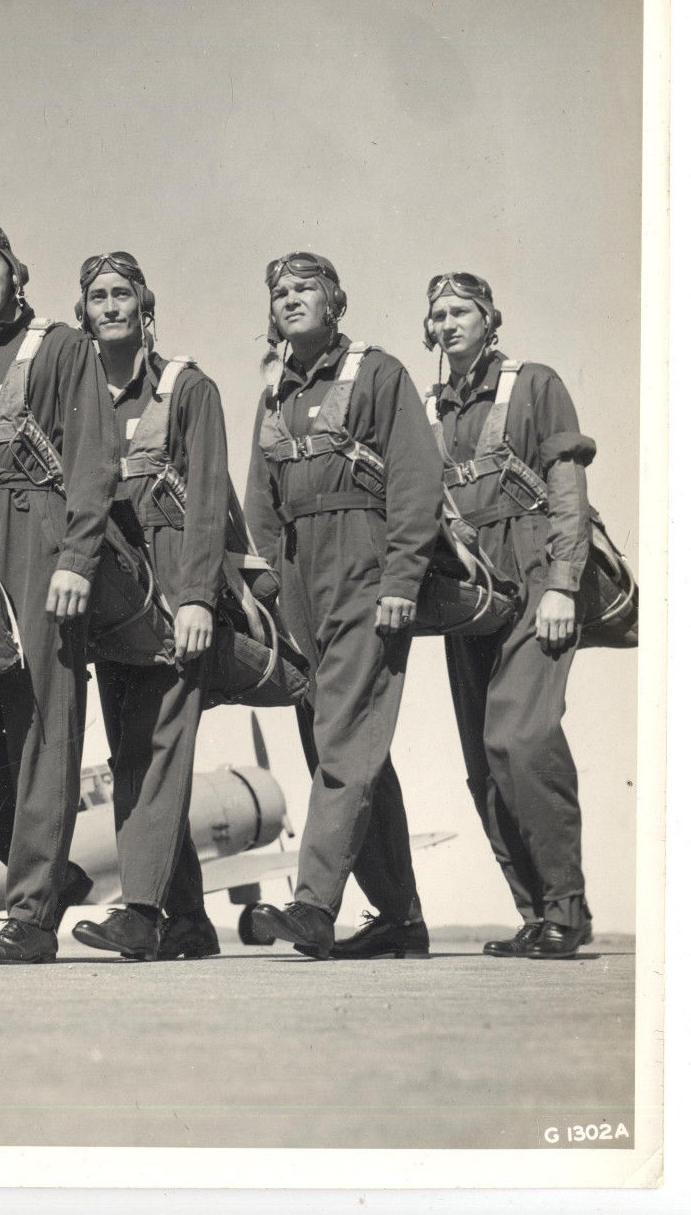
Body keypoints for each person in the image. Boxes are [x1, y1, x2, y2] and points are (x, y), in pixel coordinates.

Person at [0, 221, 119, 965]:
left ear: (16, 270)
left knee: (40, 721)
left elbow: (96, 455)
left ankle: (32, 915)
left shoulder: (63, 345)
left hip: (39, 532)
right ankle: (48, 873)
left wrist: (77, 556)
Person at [244, 252, 438, 960]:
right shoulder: (273, 392)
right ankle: (400, 916)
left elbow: (416, 481)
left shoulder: (378, 372)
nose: (291, 299)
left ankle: (314, 905)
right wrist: (265, 591)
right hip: (297, 577)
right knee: (345, 746)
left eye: (305, 289)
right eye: (281, 292)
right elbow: (259, 502)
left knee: (347, 739)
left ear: (336, 301)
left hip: (364, 562)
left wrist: (401, 581)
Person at [424, 272, 595, 960]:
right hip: (469, 594)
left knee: (521, 739)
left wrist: (563, 584)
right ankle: (535, 912)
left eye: (461, 310)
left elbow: (567, 490)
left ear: (491, 318)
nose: (447, 323)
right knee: (482, 758)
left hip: (531, 576)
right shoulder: (431, 410)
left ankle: (567, 906)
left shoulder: (535, 384)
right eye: (436, 314)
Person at [68, 252, 227, 961]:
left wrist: (197, 597)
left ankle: (138, 910)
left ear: (144, 304)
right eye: (97, 296)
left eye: (121, 295)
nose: (109, 307)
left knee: (154, 749)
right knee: (138, 751)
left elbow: (211, 503)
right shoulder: (80, 396)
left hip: (170, 591)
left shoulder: (186, 388)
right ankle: (188, 919)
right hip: (110, 599)